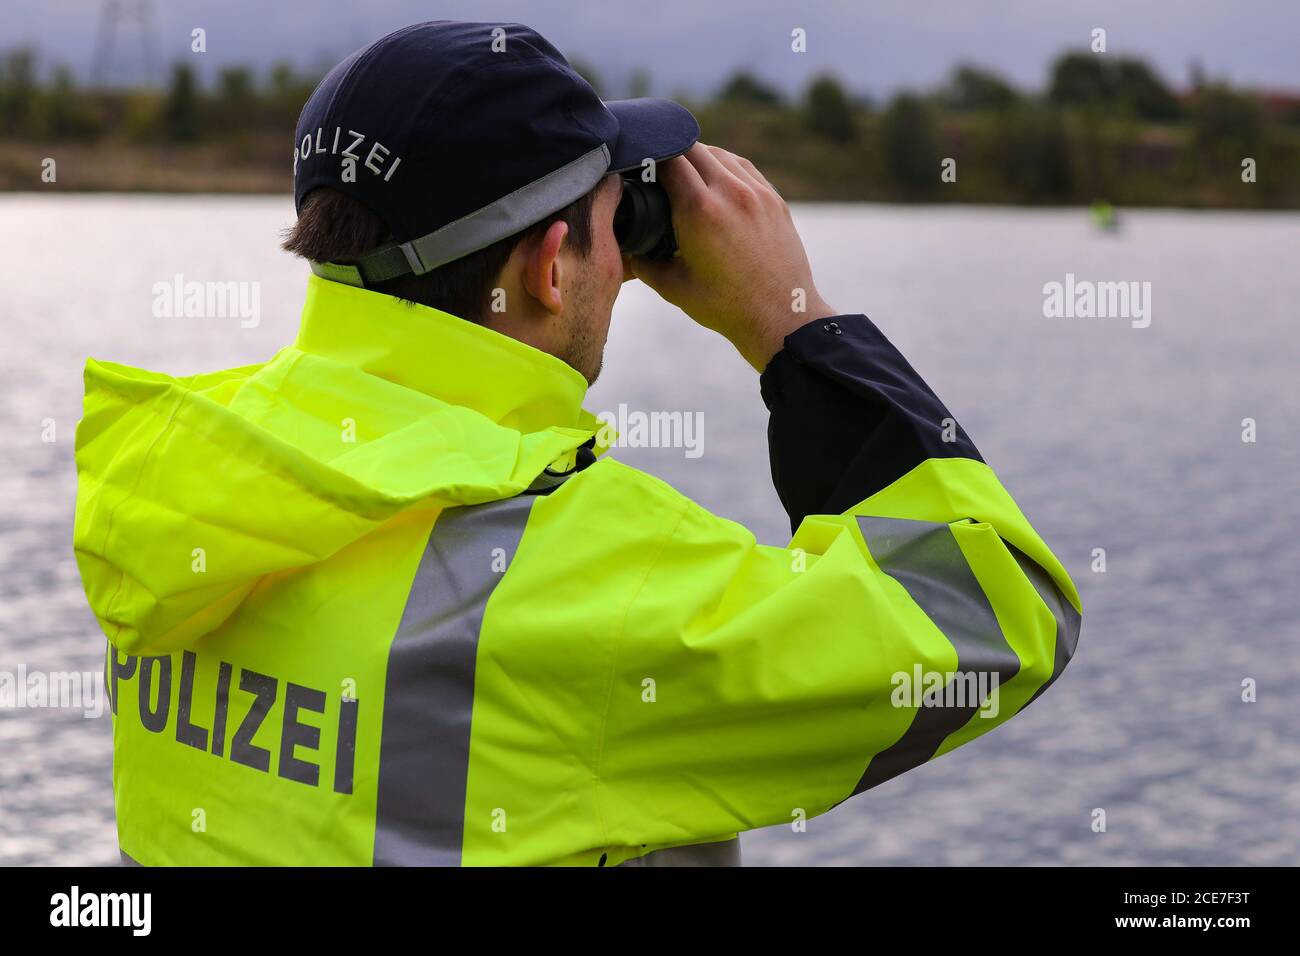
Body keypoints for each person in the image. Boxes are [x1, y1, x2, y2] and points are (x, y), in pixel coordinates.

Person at [74, 20, 1081, 867]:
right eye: (616, 222)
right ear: (553, 269)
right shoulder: (584, 582)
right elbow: (1001, 610)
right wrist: (794, 324)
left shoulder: (177, 475)